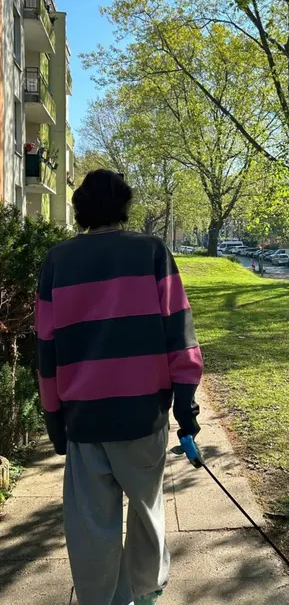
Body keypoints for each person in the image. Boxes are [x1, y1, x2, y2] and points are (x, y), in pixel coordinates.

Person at [35, 169, 203, 605]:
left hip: (83, 418)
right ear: (124, 205)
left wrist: (54, 418)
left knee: (91, 527)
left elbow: (47, 349)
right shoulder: (152, 252)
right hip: (142, 415)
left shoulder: (57, 262)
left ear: (80, 210)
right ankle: (145, 594)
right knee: (147, 512)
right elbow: (178, 331)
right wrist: (185, 406)